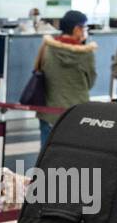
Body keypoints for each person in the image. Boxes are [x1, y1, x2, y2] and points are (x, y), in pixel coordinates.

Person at [34, 10, 97, 145]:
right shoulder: (86, 54)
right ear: (76, 29)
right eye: (85, 28)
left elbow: (37, 70)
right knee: (72, 155)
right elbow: (90, 83)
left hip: (48, 112)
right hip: (77, 114)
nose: (85, 32)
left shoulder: (47, 47)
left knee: (46, 156)